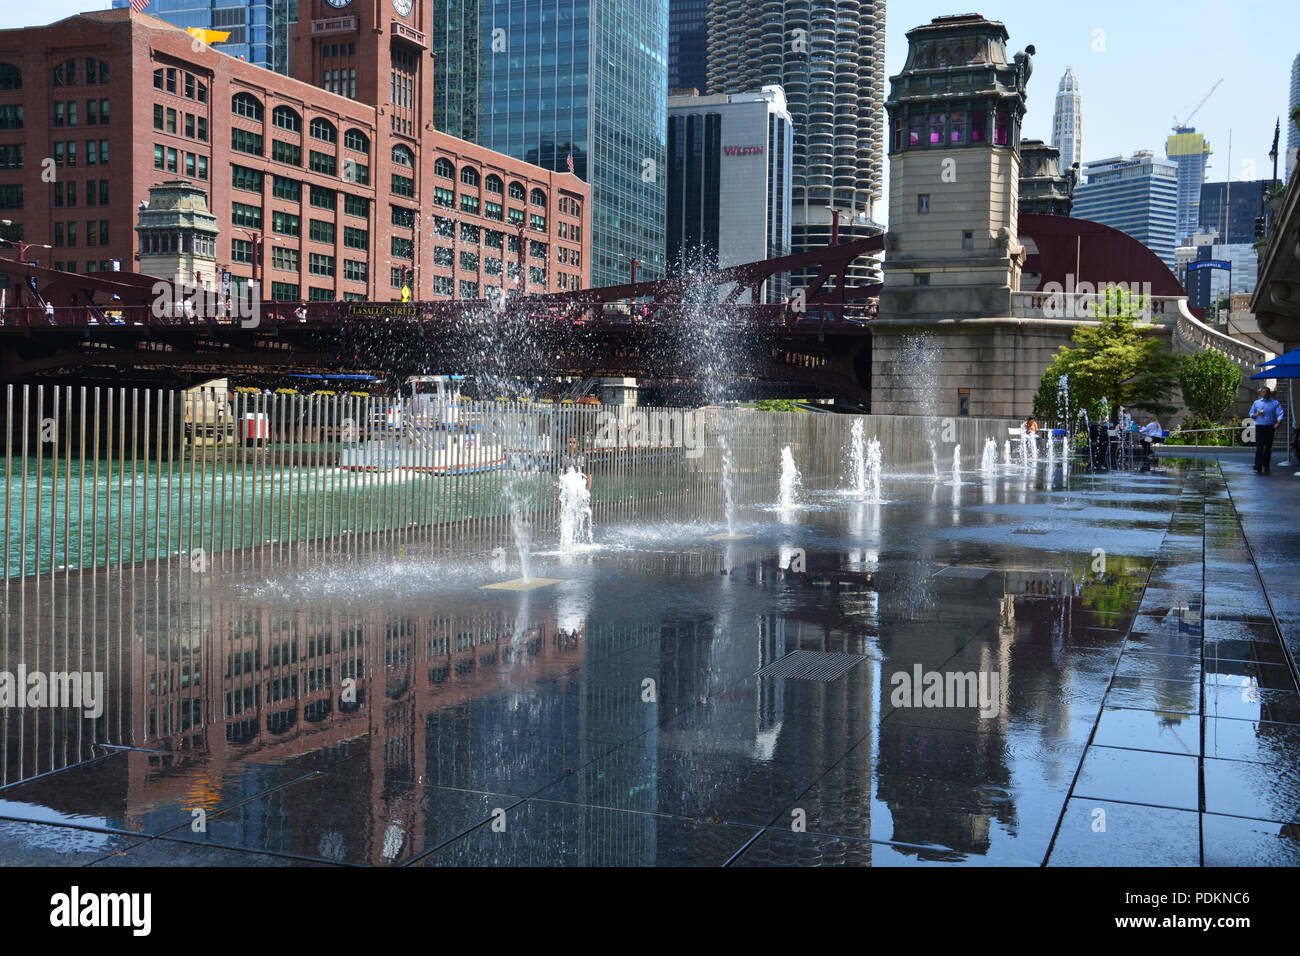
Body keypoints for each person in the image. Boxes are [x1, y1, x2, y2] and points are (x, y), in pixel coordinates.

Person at [1249, 386, 1286, 474]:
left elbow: (1280, 413)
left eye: (1266, 392)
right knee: (1259, 446)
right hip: (1260, 427)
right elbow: (1251, 414)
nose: (1265, 393)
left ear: (1269, 393)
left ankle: (1266, 464)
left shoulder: (1275, 403)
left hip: (1270, 427)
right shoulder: (1257, 403)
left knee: (1268, 447)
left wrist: (1278, 423)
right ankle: (1258, 465)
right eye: (1263, 392)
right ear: (1261, 393)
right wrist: (1256, 414)